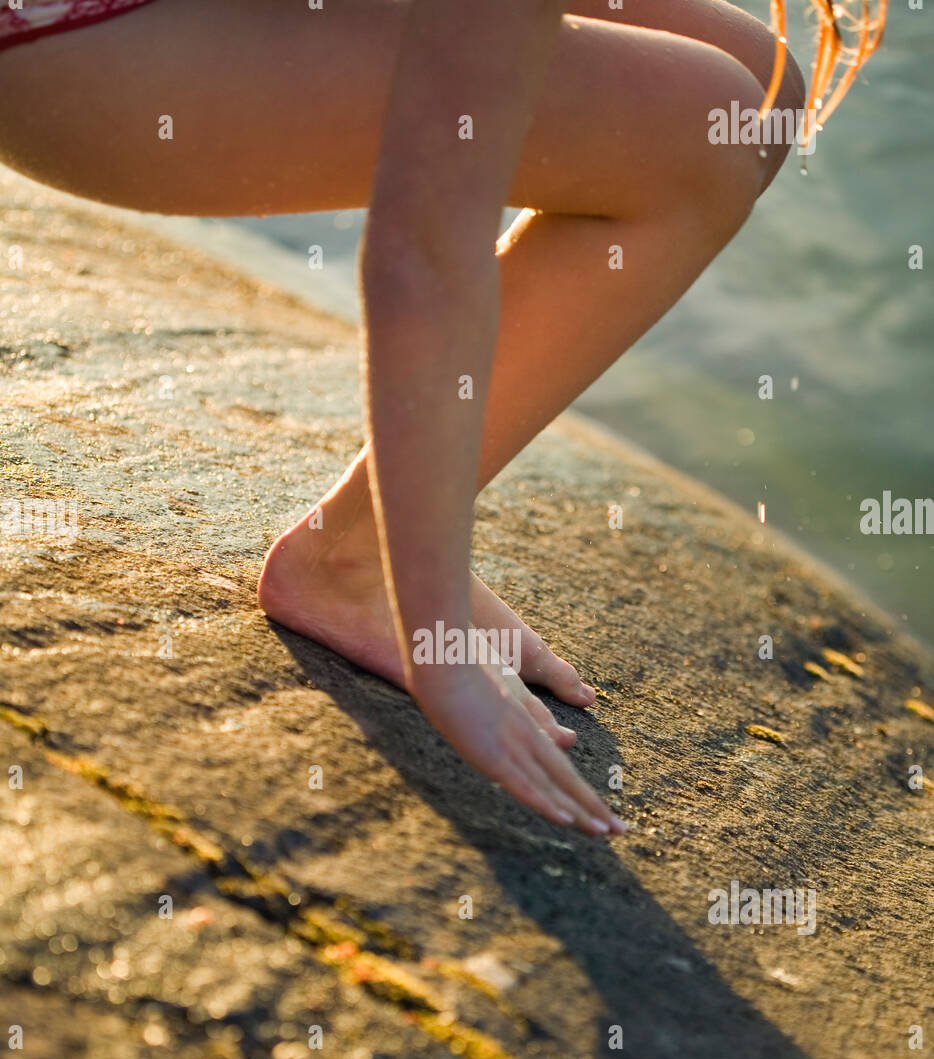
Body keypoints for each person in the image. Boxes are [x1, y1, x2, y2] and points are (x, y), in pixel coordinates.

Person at [0, 0, 883, 835]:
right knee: (707, 125)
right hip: (65, 48)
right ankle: (351, 564)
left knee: (759, 84)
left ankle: (358, 543)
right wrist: (437, 643)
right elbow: (425, 248)